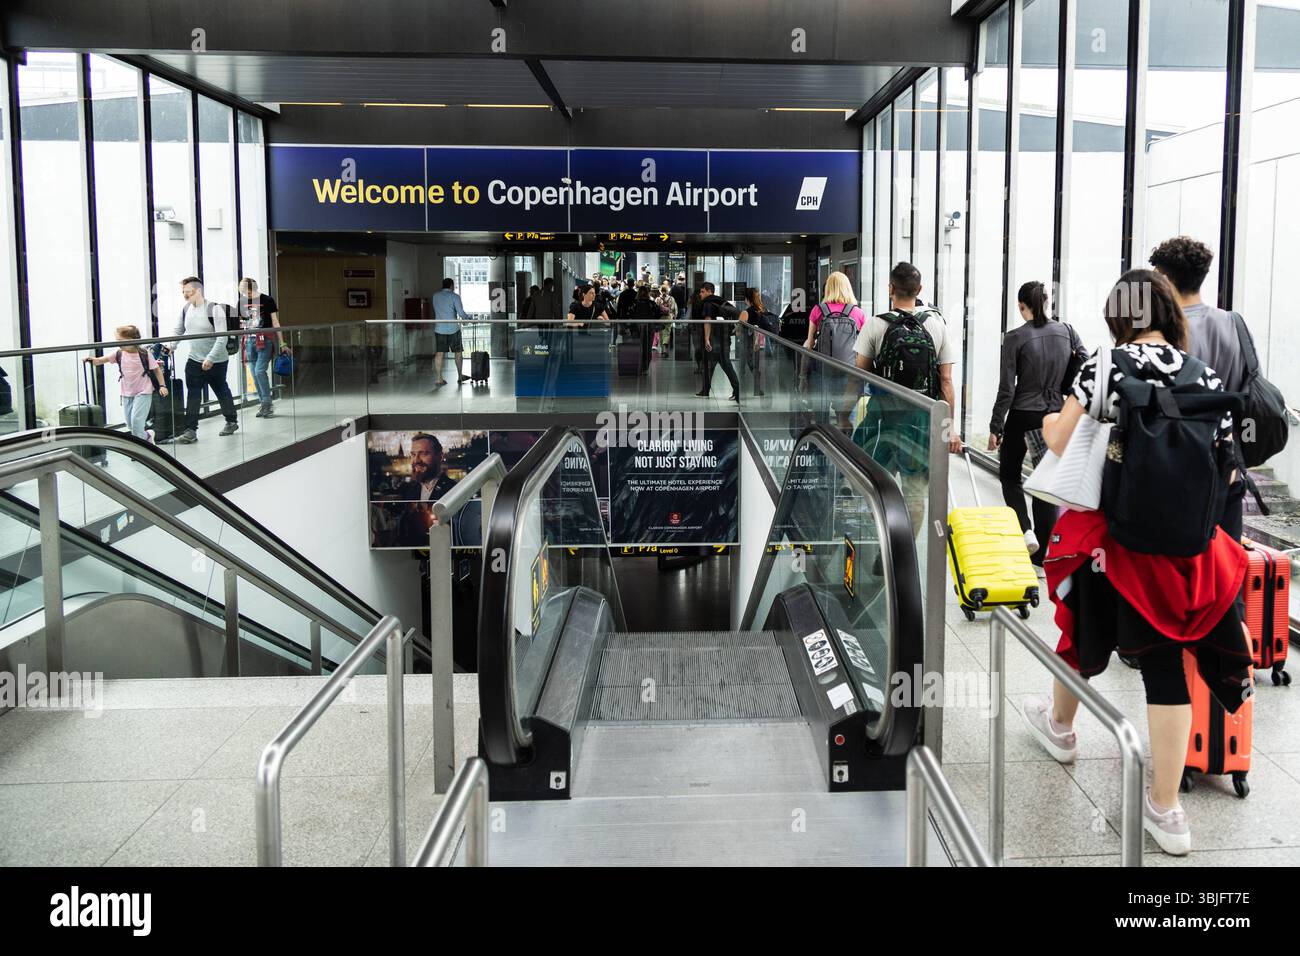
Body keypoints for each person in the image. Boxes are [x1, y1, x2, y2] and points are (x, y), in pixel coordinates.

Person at [1026, 269, 1251, 857]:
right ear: (1169, 312)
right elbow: (1227, 468)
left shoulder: (1103, 364)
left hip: (1112, 538)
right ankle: (1167, 810)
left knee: (1078, 627)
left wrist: (1054, 419)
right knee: (1163, 667)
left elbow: (1056, 441)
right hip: (1181, 545)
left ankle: (1061, 729)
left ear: (1118, 314)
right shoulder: (1203, 373)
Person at [1149, 236, 1250, 544]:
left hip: (1177, 469)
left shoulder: (1164, 331)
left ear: (1165, 278)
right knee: (1220, 568)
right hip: (1226, 467)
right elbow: (1244, 392)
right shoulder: (1234, 324)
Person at [854, 262, 962, 532]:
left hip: (882, 420)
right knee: (915, 494)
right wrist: (951, 430)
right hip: (921, 422)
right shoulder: (937, 326)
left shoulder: (876, 325)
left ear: (890, 289)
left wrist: (845, 414)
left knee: (877, 487)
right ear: (919, 289)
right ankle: (907, 552)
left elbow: (857, 376)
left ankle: (883, 545)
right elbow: (946, 382)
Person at [988, 280, 1073, 566]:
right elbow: (1084, 363)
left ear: (1021, 305)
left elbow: (1006, 388)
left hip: (1023, 414)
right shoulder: (1066, 331)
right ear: (1046, 303)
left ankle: (1025, 530)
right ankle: (1042, 553)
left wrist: (995, 426)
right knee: (1045, 480)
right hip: (1054, 414)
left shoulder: (1015, 337)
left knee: (1010, 476)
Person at [169, 276, 238, 444]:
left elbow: (222, 338)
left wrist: (210, 358)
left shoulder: (214, 309)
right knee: (193, 394)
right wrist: (170, 346)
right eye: (183, 292)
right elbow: (178, 331)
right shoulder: (186, 309)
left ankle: (231, 421)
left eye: (187, 292)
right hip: (194, 360)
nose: (184, 295)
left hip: (217, 360)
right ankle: (190, 430)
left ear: (198, 290)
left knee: (220, 389)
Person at [84, 325, 168, 441]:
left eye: (120, 341)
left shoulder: (144, 354)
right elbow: (100, 361)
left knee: (136, 421)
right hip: (127, 393)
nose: (117, 343)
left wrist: (162, 386)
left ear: (132, 340)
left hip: (144, 391)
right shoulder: (119, 353)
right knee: (130, 424)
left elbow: (156, 369)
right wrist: (90, 360)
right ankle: (147, 436)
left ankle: (141, 448)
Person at [237, 277, 287, 419]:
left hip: (264, 339)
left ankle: (267, 404)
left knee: (259, 371)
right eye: (242, 290)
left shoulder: (267, 300)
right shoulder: (241, 302)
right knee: (253, 372)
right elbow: (240, 323)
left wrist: (282, 342)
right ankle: (263, 403)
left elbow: (275, 321)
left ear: (253, 287)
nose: (244, 293)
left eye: (245, 289)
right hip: (248, 341)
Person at [803, 271, 867, 365]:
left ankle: (803, 376)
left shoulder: (818, 310)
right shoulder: (859, 312)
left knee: (805, 344)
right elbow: (864, 346)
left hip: (824, 367)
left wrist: (803, 374)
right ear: (848, 288)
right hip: (851, 369)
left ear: (827, 289)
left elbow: (810, 343)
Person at [698, 282, 740, 401]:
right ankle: (705, 390)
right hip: (725, 338)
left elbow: (708, 321)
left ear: (709, 291)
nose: (700, 294)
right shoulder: (721, 301)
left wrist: (706, 339)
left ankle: (737, 390)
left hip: (715, 339)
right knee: (712, 365)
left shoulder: (708, 303)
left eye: (702, 291)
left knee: (724, 365)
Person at [431, 278, 470, 387]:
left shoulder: (435, 296)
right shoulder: (455, 296)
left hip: (439, 329)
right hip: (453, 329)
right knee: (458, 352)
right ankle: (459, 376)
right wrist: (467, 320)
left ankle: (439, 379)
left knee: (439, 353)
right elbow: (461, 312)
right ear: (451, 285)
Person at [738, 288, 776, 398]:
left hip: (749, 345)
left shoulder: (746, 312)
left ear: (746, 299)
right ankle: (759, 389)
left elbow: (739, 332)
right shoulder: (763, 310)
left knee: (745, 369)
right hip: (765, 345)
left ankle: (740, 393)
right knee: (758, 368)